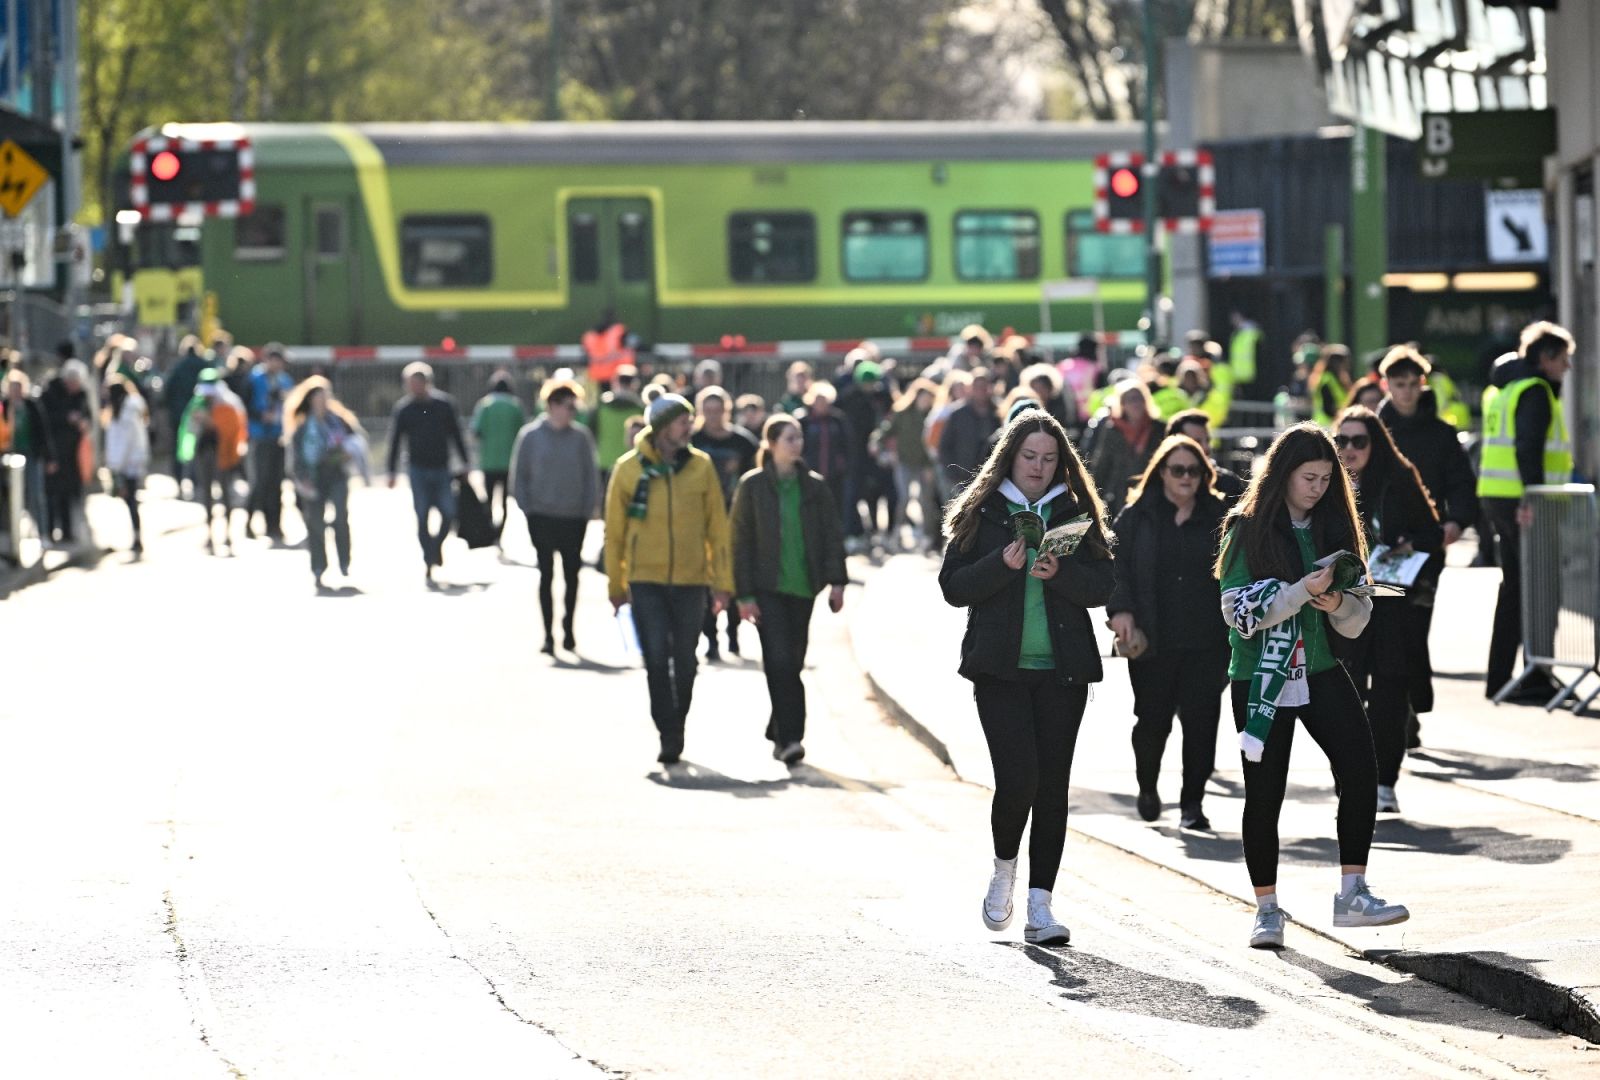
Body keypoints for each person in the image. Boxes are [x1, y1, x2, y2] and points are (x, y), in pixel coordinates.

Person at [1216, 422, 1407, 949]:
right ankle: (1267, 908)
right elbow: (1238, 613)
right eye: (1309, 477)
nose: (1318, 488)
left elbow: (1356, 620)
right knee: (1265, 793)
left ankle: (1353, 892)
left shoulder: (1336, 527)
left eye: (1327, 479)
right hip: (1262, 676)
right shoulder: (1246, 528)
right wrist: (1303, 591)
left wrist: (1338, 602)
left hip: (1320, 668)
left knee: (1360, 769)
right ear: (1282, 476)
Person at [939, 410, 1117, 947]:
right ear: (1010, 457)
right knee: (1019, 779)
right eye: (1029, 457)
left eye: (1049, 459)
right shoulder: (984, 508)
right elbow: (953, 586)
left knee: (1053, 784)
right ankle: (1004, 869)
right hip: (999, 668)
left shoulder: (1075, 510)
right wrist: (1004, 564)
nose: (1039, 468)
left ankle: (1042, 906)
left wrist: (1061, 574)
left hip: (1063, 671)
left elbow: (1103, 584)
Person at [1108, 434, 1231, 830]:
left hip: (1207, 641)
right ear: (1161, 471)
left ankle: (1192, 805)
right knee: (1151, 721)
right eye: (1178, 470)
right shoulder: (1138, 515)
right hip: (1152, 640)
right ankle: (1147, 786)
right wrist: (1121, 612)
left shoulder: (1220, 517)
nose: (1186, 478)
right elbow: (1117, 568)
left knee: (1201, 724)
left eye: (1194, 471)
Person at [604, 393, 734, 765]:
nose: (688, 426)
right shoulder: (629, 469)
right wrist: (616, 584)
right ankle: (668, 731)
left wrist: (723, 582)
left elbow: (717, 528)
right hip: (646, 580)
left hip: (692, 580)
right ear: (662, 427)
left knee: (687, 661)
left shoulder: (702, 467)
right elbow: (614, 533)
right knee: (657, 658)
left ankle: (678, 721)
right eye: (682, 421)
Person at [1332, 405, 1441, 815]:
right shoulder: (1326, 484)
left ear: (1375, 444)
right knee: (1345, 698)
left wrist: (1409, 544)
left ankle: (1384, 782)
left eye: (1359, 441)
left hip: (1393, 604)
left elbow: (1432, 533)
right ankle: (1346, 778)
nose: (1349, 449)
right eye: (1341, 441)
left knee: (1390, 698)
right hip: (1344, 606)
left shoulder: (1398, 478)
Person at [730, 414, 848, 764]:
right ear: (771, 444)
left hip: (803, 586)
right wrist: (744, 594)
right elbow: (739, 541)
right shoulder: (752, 486)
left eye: (799, 437)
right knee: (779, 661)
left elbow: (831, 535)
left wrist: (837, 582)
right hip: (767, 587)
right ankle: (792, 737)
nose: (797, 444)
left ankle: (779, 724)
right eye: (789, 438)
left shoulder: (814, 486)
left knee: (792, 663)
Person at [1375, 346, 1476, 743]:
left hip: (1425, 547)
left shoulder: (1440, 434)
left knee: (1415, 630)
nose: (1406, 392)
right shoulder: (1372, 432)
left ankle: (1409, 710)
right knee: (1381, 631)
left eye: (1412, 384)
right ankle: (1390, 710)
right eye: (1398, 384)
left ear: (1422, 385)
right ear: (1386, 385)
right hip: (1381, 548)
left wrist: (1456, 521)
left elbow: (1461, 483)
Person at [1477, 321, 1574, 702]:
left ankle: (1503, 677)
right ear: (1546, 357)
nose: (1566, 368)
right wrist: (1531, 499)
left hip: (1500, 496)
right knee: (1539, 588)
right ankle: (1535, 676)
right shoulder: (1534, 390)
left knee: (1516, 588)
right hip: (1525, 503)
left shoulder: (1503, 388)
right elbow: (1528, 448)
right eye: (1563, 360)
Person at [512, 379, 600, 653]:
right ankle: (548, 634)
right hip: (541, 515)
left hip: (573, 517)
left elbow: (591, 476)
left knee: (572, 575)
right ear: (551, 406)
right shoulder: (530, 436)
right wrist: (528, 509)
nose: (570, 411)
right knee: (546, 574)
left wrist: (587, 509)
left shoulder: (581, 437)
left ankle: (568, 628)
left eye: (574, 406)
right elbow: (519, 476)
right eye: (565, 406)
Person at [692, 385, 758, 659]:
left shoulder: (742, 442)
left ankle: (733, 635)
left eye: (718, 411)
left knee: (731, 578)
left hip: (735, 518)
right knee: (706, 581)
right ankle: (711, 638)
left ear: (727, 411)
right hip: (701, 520)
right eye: (707, 411)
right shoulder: (692, 441)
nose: (713, 416)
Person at [387, 361, 469, 581]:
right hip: (417, 469)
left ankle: (436, 547)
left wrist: (465, 462)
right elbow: (395, 441)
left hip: (442, 468)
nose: (415, 387)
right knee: (422, 515)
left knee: (449, 512)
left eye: (418, 383)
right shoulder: (404, 409)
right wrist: (391, 471)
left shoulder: (444, 405)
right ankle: (429, 557)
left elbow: (456, 434)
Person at [285, 375, 363, 588]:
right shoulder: (303, 429)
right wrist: (302, 479)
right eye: (318, 397)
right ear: (310, 400)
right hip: (314, 478)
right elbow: (297, 458)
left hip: (337, 475)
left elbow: (355, 442)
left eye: (325, 396)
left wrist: (348, 453)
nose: (322, 400)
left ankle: (344, 560)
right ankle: (319, 566)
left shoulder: (338, 422)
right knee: (316, 522)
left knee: (340, 517)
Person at [178, 369, 249, 554]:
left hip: (223, 455)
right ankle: (209, 534)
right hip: (204, 454)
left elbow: (233, 429)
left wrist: (212, 423)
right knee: (206, 495)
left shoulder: (228, 404)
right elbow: (189, 429)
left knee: (226, 495)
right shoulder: (197, 403)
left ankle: (228, 534)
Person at [1086, 379, 1165, 518]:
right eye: (1130, 399)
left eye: (1139, 398)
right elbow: (1102, 464)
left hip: (1153, 495)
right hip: (1119, 495)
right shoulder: (1112, 429)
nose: (1136, 403)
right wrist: (1094, 496)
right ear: (1122, 404)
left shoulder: (1158, 428)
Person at [244, 343, 294, 541]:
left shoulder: (285, 381)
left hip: (279, 437)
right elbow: (245, 405)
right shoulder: (254, 379)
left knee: (277, 483)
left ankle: (274, 525)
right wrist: (260, 416)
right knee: (260, 482)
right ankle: (249, 521)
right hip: (260, 436)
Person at [471, 372, 526, 546]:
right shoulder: (515, 406)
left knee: (488, 498)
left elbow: (476, 431)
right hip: (510, 461)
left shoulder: (485, 405)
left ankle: (489, 528)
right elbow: (523, 433)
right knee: (504, 501)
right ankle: (499, 532)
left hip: (489, 460)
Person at [883, 377, 939, 549]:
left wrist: (930, 466)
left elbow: (933, 444)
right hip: (905, 462)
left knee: (926, 500)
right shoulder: (902, 412)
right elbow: (887, 430)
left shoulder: (933, 415)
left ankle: (927, 536)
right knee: (904, 498)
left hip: (924, 464)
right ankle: (897, 533)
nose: (925, 401)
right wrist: (877, 443)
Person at [40, 360, 91, 546]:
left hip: (73, 452)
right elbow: (45, 420)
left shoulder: (81, 395)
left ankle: (68, 531)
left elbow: (88, 415)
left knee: (70, 493)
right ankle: (50, 530)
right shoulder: (51, 393)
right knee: (52, 493)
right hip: (54, 450)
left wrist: (84, 422)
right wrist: (66, 417)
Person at [797, 381, 857, 535]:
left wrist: (844, 465)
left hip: (834, 474)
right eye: (818, 400)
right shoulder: (803, 420)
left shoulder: (838, 419)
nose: (821, 404)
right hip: (809, 472)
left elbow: (848, 445)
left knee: (834, 506)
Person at [103, 374, 151, 556]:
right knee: (129, 500)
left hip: (127, 463)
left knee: (130, 500)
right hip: (128, 462)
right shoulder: (128, 409)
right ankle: (136, 536)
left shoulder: (126, 413)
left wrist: (115, 465)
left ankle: (137, 537)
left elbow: (125, 442)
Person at [3, 369, 53, 536]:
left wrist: (49, 456)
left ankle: (42, 533)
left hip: (31, 453)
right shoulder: (4, 406)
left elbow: (43, 431)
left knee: (36, 494)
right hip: (9, 457)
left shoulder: (31, 405)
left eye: (17, 387)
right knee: (14, 497)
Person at [936, 367, 998, 495]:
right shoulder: (957, 413)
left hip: (991, 478)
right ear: (971, 388)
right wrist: (952, 473)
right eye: (977, 387)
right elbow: (944, 446)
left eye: (984, 387)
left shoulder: (998, 412)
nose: (981, 391)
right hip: (962, 478)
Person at [1163, 408, 1245, 503]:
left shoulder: (1228, 485)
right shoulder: (1156, 486)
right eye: (1197, 442)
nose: (1206, 447)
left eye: (1208, 441)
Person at [164, 336, 212, 485]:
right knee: (199, 447)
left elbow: (167, 389)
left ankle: (179, 478)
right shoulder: (205, 366)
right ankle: (197, 479)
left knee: (179, 447)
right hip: (201, 414)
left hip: (179, 413)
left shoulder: (177, 367)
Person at [590, 364, 645, 492]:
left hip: (605, 462)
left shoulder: (601, 407)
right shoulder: (640, 409)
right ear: (634, 384)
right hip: (632, 463)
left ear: (615, 382)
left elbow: (592, 433)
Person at [1309, 345, 1355, 428]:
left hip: (1335, 423)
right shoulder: (1326, 380)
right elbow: (1328, 407)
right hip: (1326, 425)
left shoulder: (1338, 379)